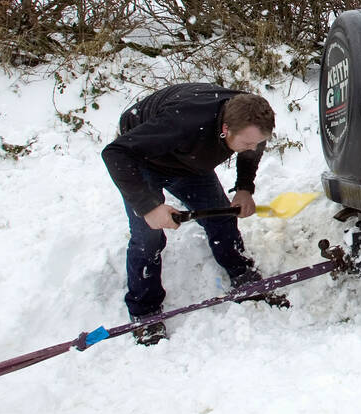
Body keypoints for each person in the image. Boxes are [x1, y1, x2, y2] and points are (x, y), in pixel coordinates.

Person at [102, 83, 285, 345]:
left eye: (256, 142)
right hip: (143, 159)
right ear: (225, 129)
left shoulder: (250, 117)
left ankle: (242, 274)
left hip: (190, 161)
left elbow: (252, 145)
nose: (251, 148)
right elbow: (115, 153)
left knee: (221, 216)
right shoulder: (182, 123)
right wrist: (149, 207)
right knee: (149, 236)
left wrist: (245, 187)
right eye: (246, 143)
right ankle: (145, 312)